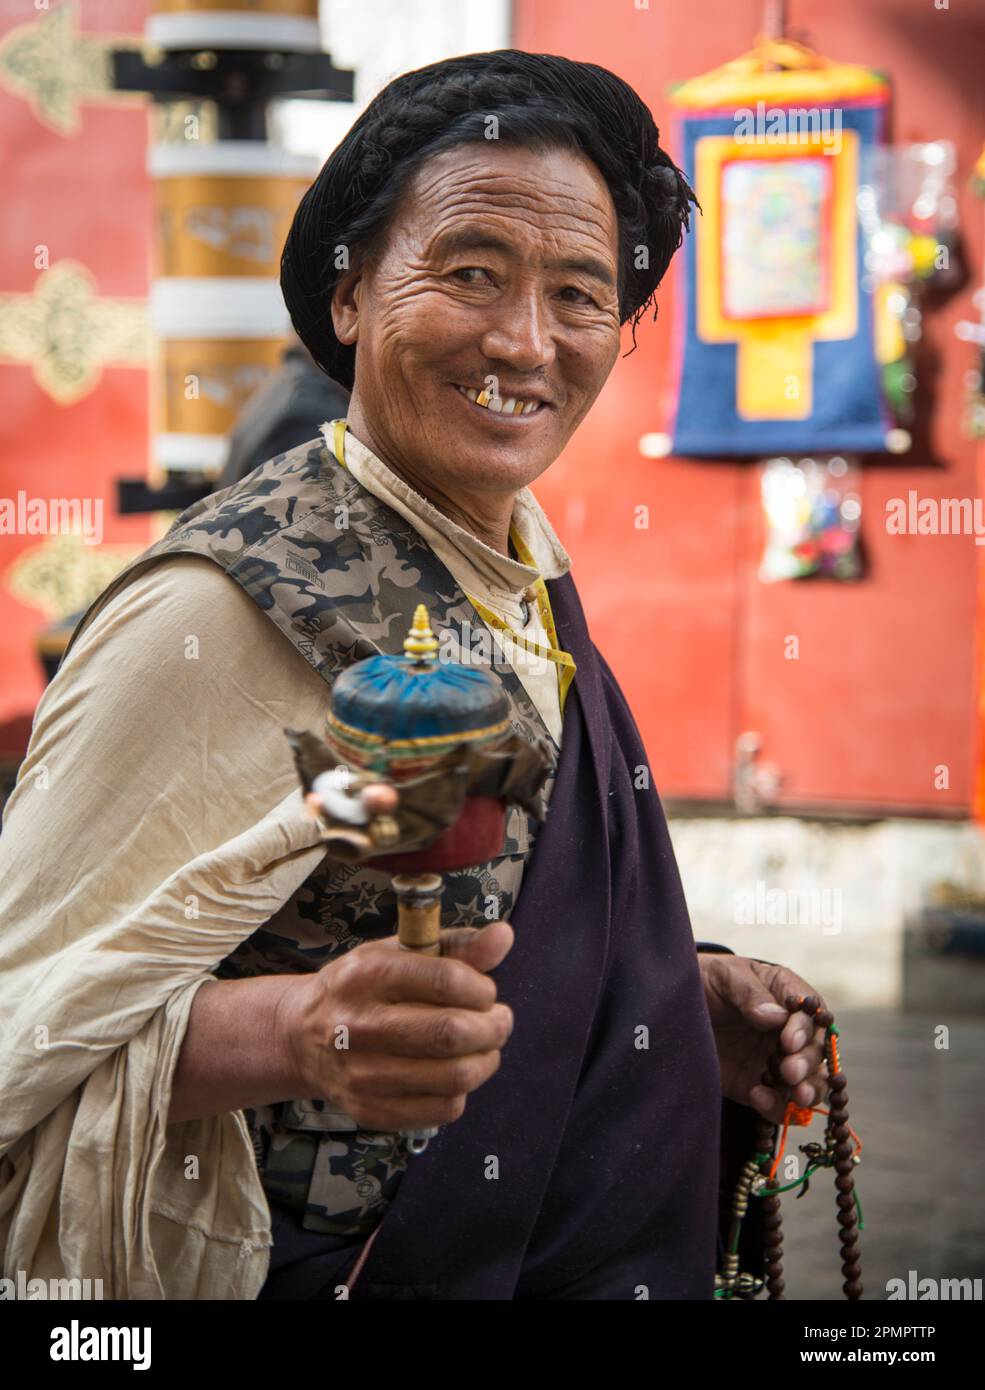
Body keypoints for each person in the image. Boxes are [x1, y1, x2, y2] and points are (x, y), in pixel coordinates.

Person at [0, 50, 829, 1300]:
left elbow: (514, 909)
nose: (524, 340)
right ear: (348, 296)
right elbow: (25, 1018)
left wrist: (648, 1005)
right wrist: (295, 1034)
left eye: (580, 293)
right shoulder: (224, 611)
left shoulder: (516, 568)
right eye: (470, 272)